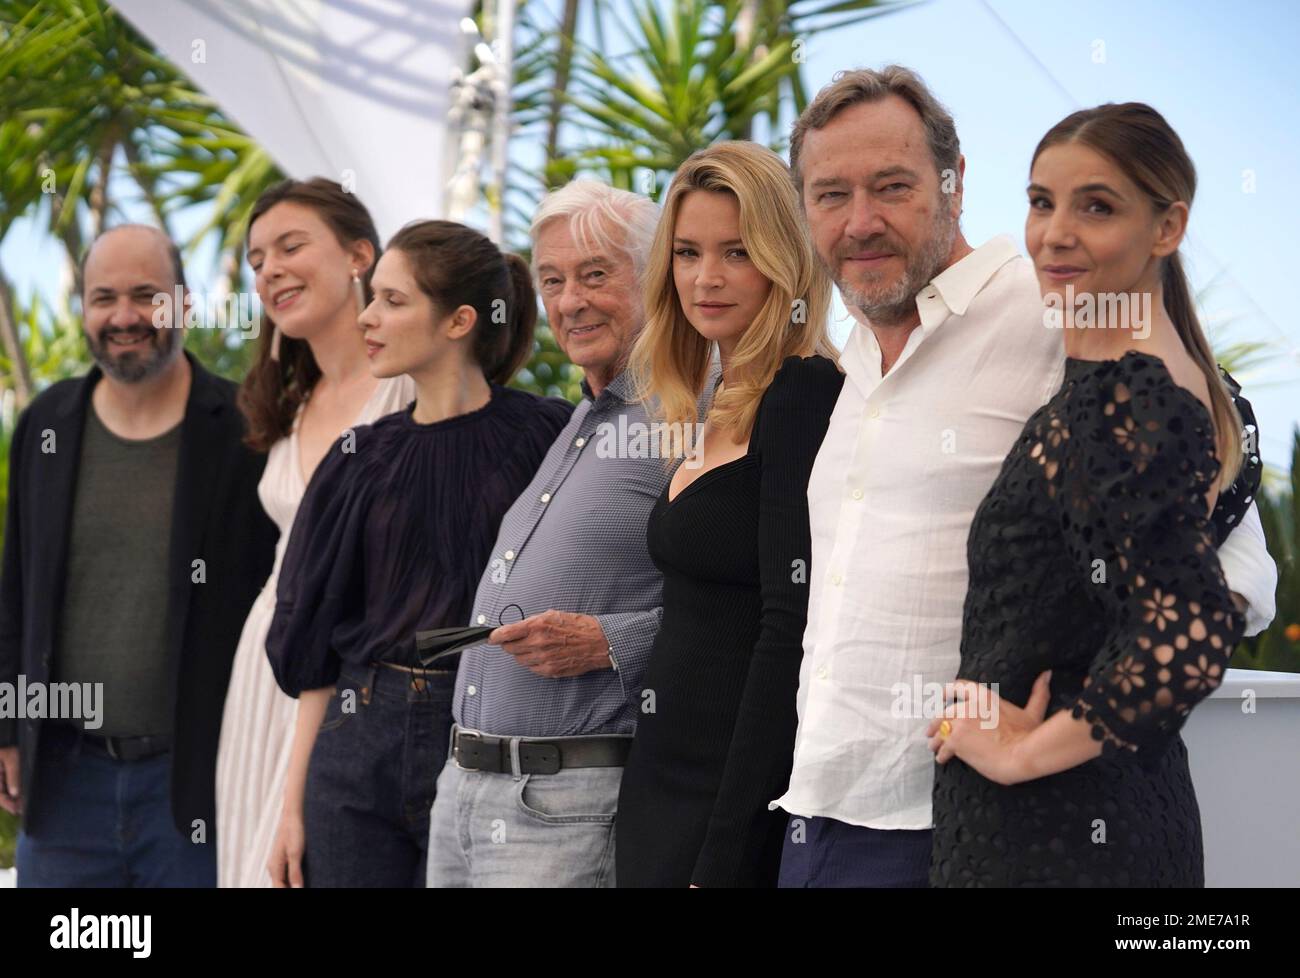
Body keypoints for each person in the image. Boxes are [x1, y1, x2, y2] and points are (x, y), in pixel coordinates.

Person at [771, 65, 1277, 888]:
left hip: (990, 827)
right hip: (824, 812)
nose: (860, 221)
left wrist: (1050, 732)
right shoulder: (847, 363)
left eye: (892, 186)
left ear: (954, 183)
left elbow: (1234, 576)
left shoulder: (1069, 319)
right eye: (830, 195)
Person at [927, 102, 1262, 887]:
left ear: (1167, 227)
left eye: (1097, 206)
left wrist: (1018, 756)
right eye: (1042, 201)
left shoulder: (1132, 394)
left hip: (1065, 842)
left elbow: (1187, 631)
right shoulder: (1114, 379)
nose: (1054, 233)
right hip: (1057, 830)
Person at [266, 220, 571, 887]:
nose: (368, 318)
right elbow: (317, 650)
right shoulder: (357, 460)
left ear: (460, 320)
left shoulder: (547, 436)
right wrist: (289, 810)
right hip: (358, 739)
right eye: (372, 298)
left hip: (487, 734)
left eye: (393, 301)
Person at [427, 181, 710, 888]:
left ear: (654, 279)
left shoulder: (695, 410)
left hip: (564, 802)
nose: (571, 300)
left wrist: (607, 641)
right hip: (465, 789)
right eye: (553, 280)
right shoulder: (582, 418)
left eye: (594, 275)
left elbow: (735, 606)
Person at [0, 225, 276, 886]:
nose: (124, 317)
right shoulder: (47, 423)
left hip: (196, 786)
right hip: (65, 785)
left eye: (146, 295)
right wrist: (9, 725)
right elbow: (15, 588)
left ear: (182, 302)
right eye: (104, 297)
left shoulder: (245, 429)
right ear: (84, 309)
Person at [614, 141, 841, 888]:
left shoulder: (803, 394)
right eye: (687, 252)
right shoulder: (706, 405)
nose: (705, 278)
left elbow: (788, 629)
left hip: (727, 805)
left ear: (783, 261)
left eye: (737, 252)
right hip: (656, 780)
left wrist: (728, 844)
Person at [215, 178, 415, 888]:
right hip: (263, 674)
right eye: (257, 257)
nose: (269, 268)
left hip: (351, 680)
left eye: (291, 246)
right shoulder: (293, 403)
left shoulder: (409, 388)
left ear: (361, 253)